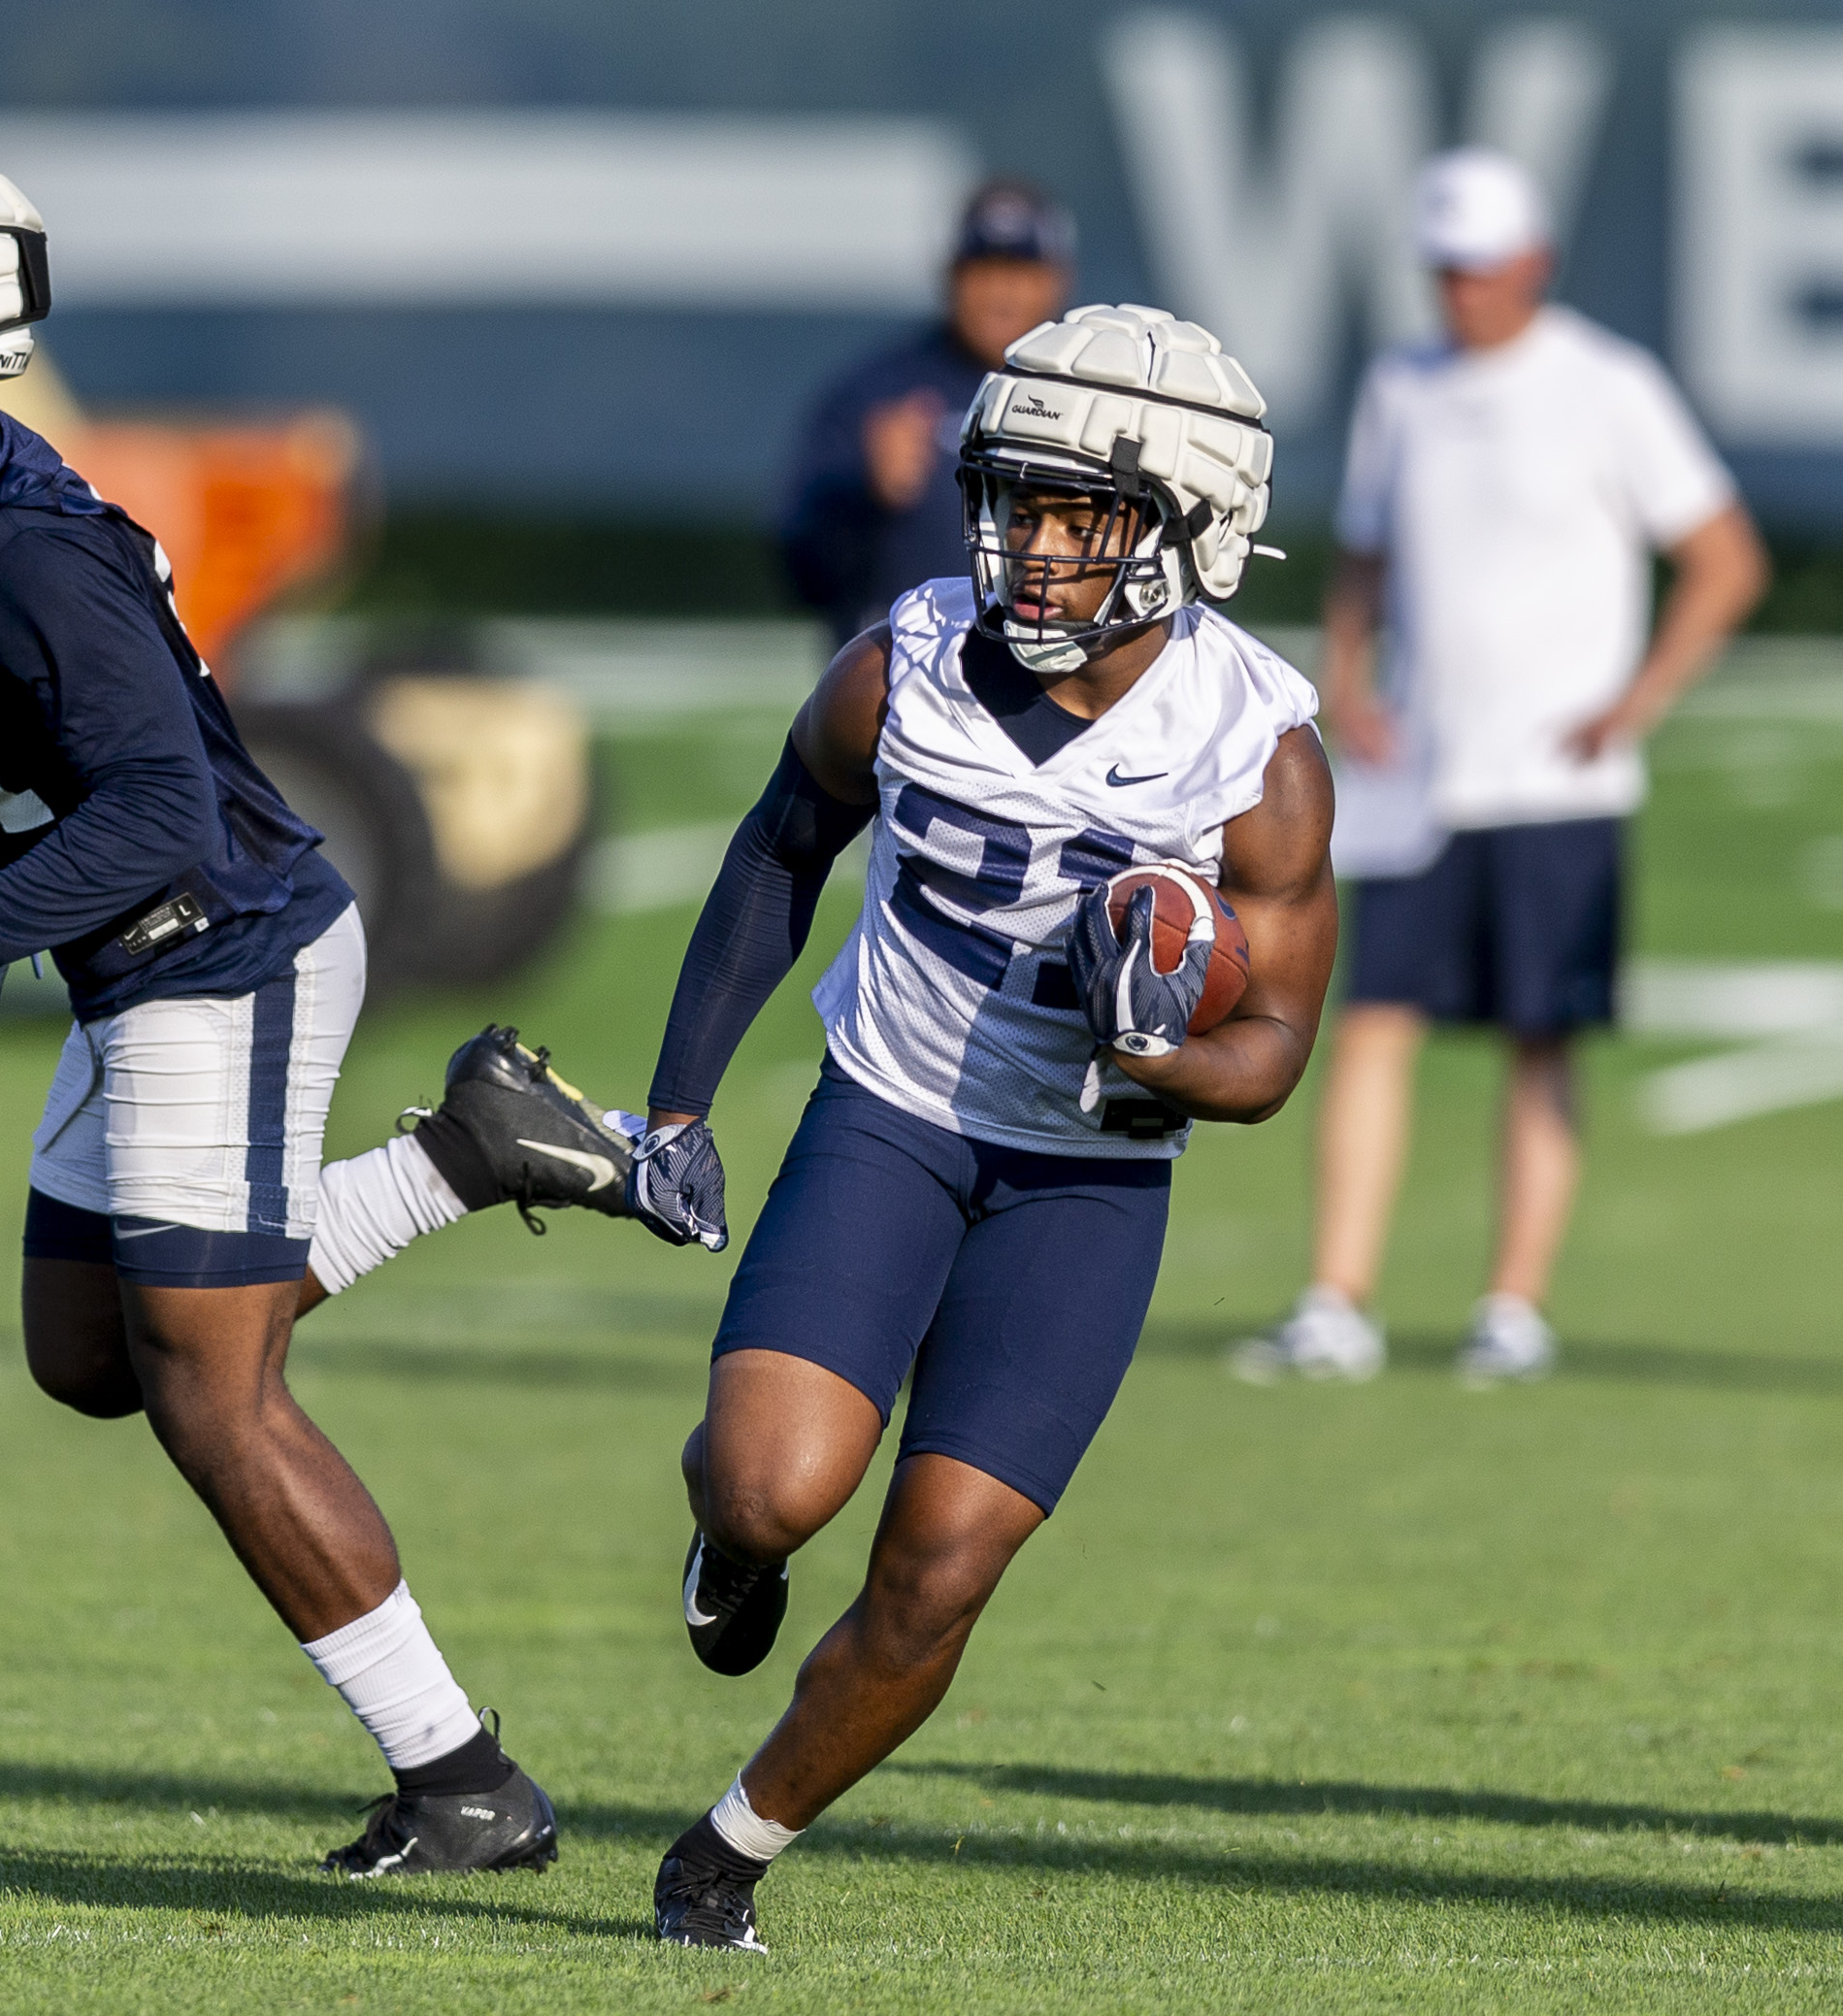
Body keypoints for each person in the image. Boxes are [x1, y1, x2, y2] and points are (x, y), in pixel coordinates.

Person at [0, 135, 645, 1875]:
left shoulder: (20, 546)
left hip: (224, 946)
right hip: (140, 951)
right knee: (93, 1355)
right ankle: (468, 1151)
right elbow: (42, 791)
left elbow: (158, 812)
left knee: (216, 1395)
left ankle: (461, 1778)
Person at [630, 306, 1332, 1953]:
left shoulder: (1256, 758)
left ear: (1189, 528)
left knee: (939, 1568)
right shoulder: (910, 662)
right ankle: (726, 1543)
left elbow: (1277, 1046)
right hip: (894, 1110)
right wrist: (677, 1103)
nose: (1033, 544)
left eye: (1081, 513)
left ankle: (729, 1847)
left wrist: (1151, 1044)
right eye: (1016, 500)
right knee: (769, 1485)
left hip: (1084, 1176)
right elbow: (774, 851)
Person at [1233, 149, 1767, 1388]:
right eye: (1442, 270)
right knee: (1365, 1018)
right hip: (1417, 776)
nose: (1459, 292)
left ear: (1532, 262)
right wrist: (1348, 677)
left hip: (1556, 782)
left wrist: (1632, 702)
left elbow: (1722, 554)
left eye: (1478, 268)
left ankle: (1511, 1307)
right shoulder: (1399, 388)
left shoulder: (1605, 385)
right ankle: (1335, 1298)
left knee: (1541, 1034)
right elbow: (1364, 553)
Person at [776, 181, 1074, 641]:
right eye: (983, 272)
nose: (1002, 294)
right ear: (950, 277)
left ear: (1056, 281)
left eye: (1020, 272)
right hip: (907, 674)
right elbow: (802, 570)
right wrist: (866, 496)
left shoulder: (1091, 395)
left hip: (1054, 667)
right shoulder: (876, 393)